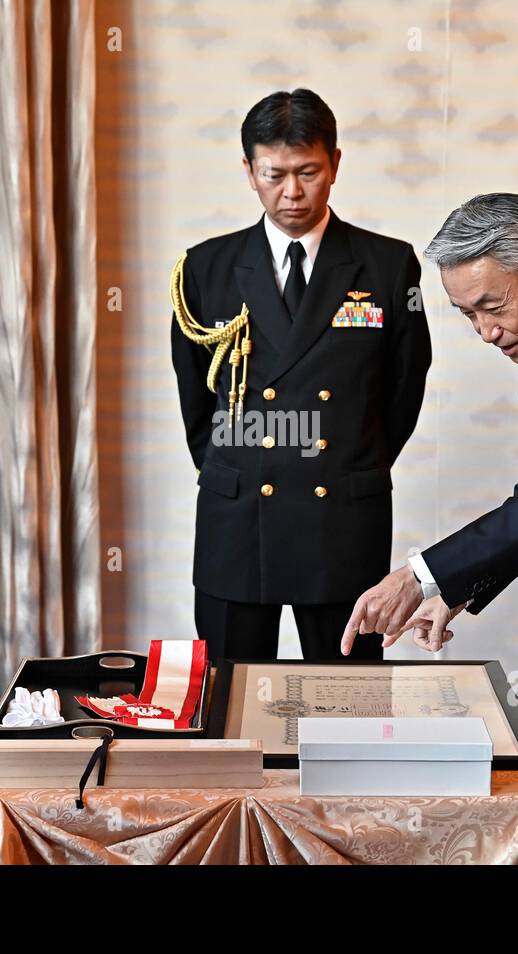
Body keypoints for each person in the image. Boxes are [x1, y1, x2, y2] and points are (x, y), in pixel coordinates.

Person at [339, 194, 518, 827]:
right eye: (467, 315)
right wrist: (460, 588)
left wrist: (421, 576)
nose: (485, 332)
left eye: (492, 307)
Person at [170, 88, 431, 662]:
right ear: (249, 171)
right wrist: (236, 464)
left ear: (335, 163)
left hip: (342, 517)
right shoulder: (204, 268)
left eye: (308, 172)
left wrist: (352, 461)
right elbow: (197, 400)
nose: (292, 192)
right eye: (274, 174)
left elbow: (405, 385)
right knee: (229, 697)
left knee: (350, 698)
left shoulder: (388, 266)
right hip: (238, 518)